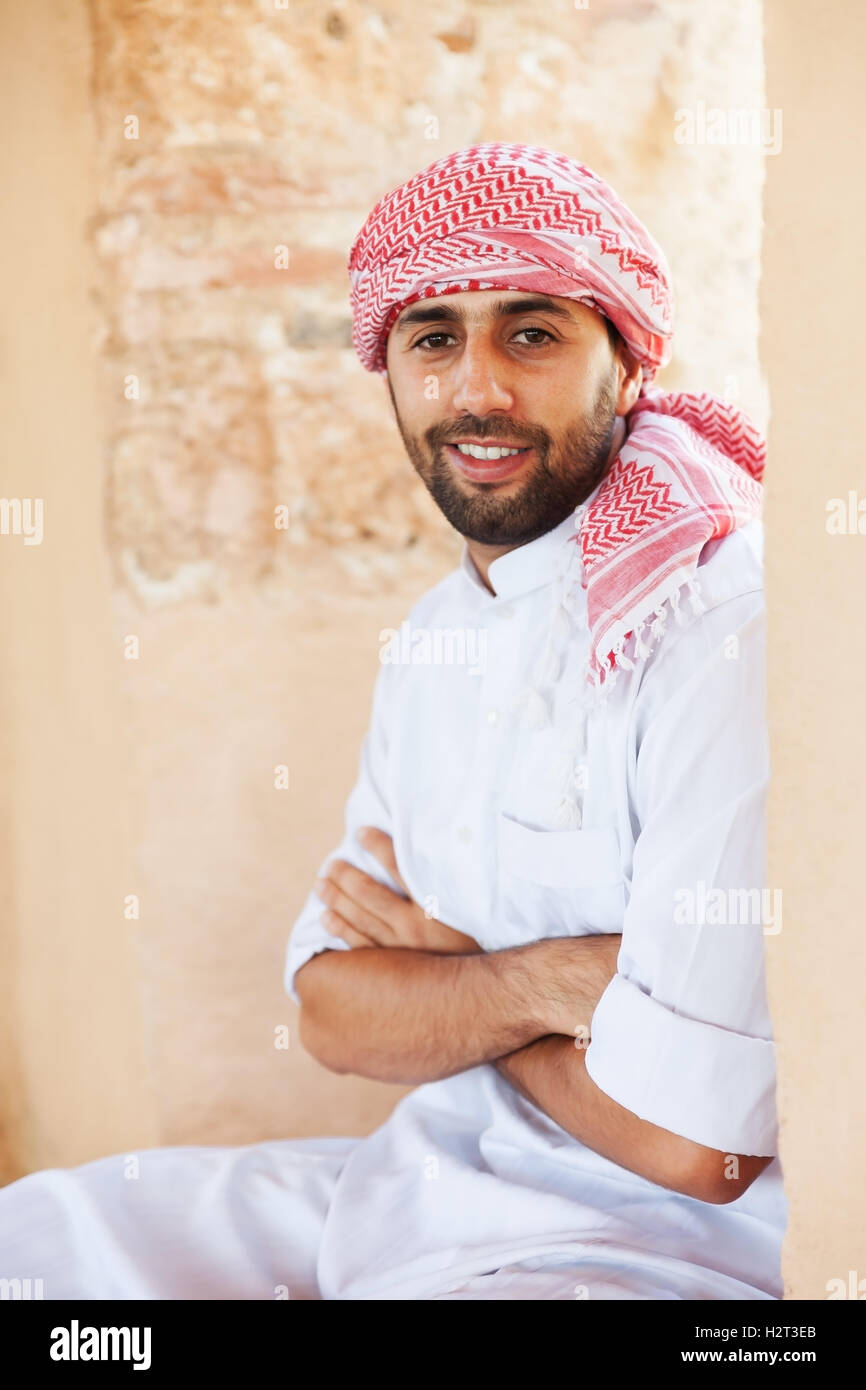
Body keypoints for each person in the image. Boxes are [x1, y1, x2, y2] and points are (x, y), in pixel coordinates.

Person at [0, 142, 786, 1301]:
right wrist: (537, 989)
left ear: (625, 362)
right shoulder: (433, 633)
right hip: (422, 1183)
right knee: (39, 1238)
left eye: (531, 331)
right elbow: (331, 1011)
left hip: (650, 1252)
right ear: (390, 372)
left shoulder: (719, 628)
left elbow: (695, 1146)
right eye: (432, 338)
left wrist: (452, 979)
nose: (475, 390)